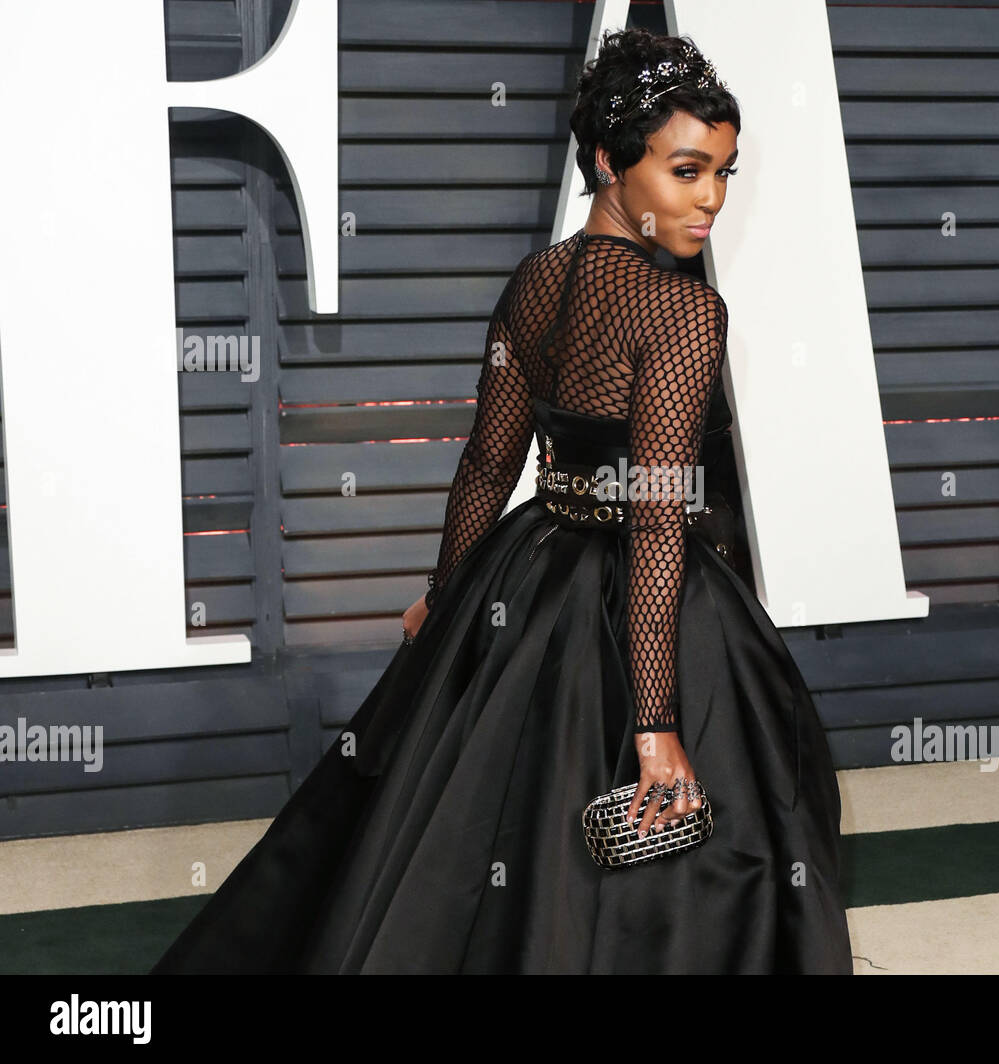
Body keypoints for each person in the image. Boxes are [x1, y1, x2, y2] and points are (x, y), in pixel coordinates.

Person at [151, 27, 853, 975]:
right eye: (688, 172)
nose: (712, 202)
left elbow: (489, 465)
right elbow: (654, 513)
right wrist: (654, 722)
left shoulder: (534, 283)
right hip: (653, 601)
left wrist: (448, 595)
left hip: (528, 573)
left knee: (480, 826)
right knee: (718, 845)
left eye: (724, 174)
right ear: (610, 162)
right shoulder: (684, 309)